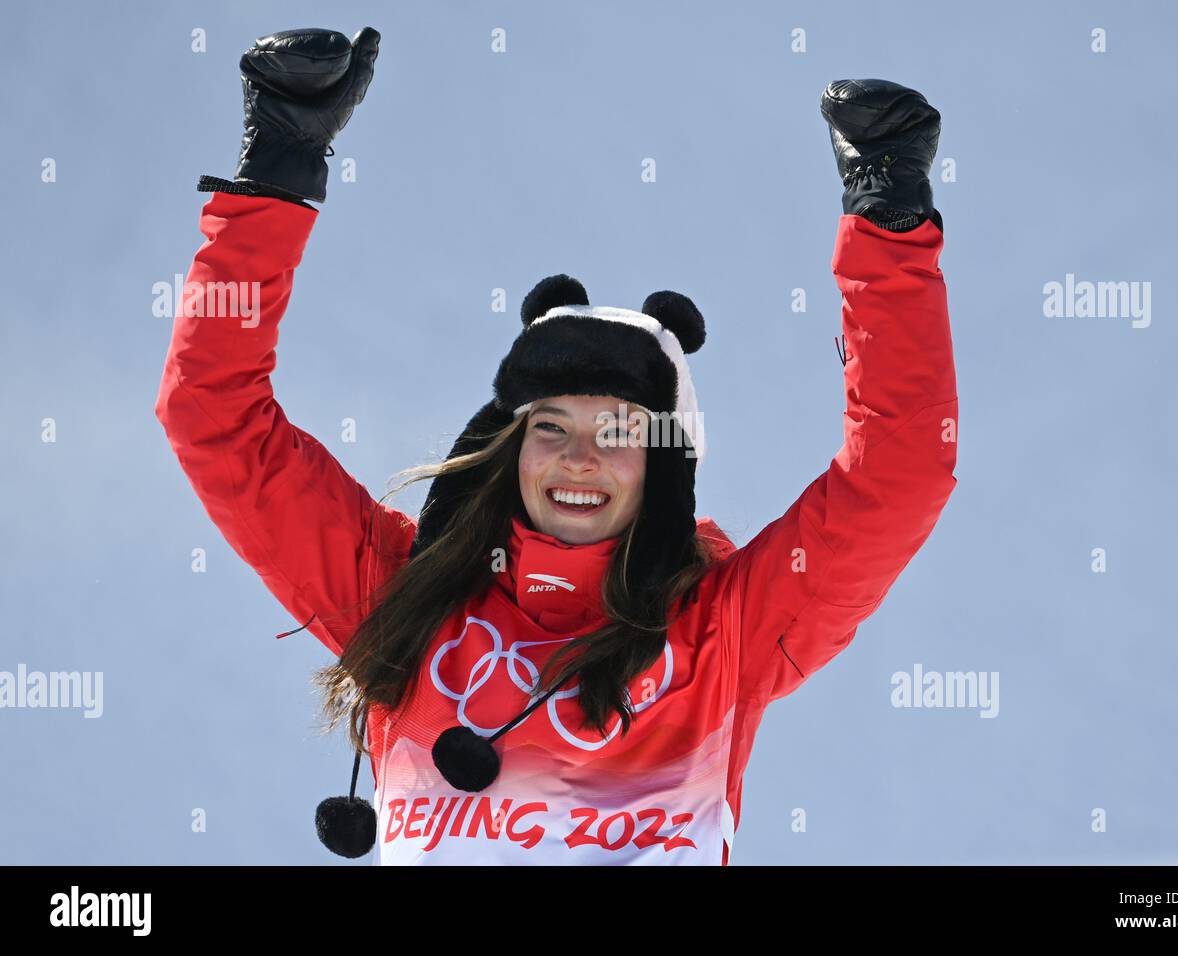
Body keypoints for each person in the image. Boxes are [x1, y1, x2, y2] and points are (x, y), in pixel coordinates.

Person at [153, 26, 959, 866]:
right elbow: (212, 417)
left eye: (617, 433)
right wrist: (276, 174)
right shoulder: (403, 607)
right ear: (510, 450)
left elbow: (900, 476)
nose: (579, 458)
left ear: (665, 471)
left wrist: (887, 225)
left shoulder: (724, 637)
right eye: (551, 428)